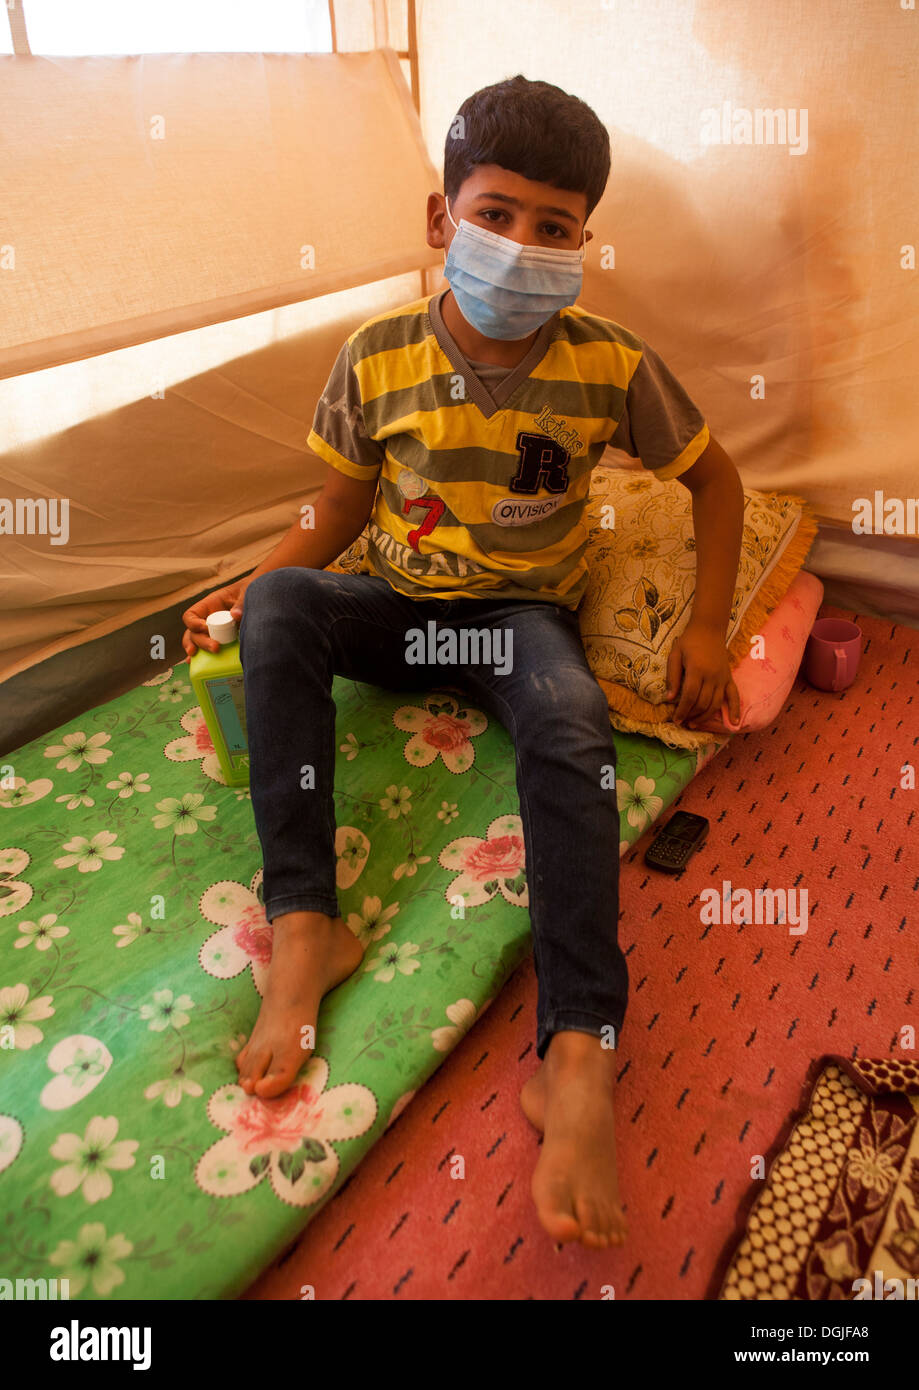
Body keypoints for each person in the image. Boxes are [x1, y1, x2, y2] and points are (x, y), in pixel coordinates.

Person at [182, 74, 744, 1250]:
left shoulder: (609, 363)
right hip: (389, 600)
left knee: (573, 724)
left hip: (515, 620)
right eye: (493, 214)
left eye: (554, 226)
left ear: (586, 240)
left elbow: (714, 480)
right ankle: (304, 930)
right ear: (441, 220)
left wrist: (702, 629)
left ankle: (578, 1048)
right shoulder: (377, 355)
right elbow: (333, 510)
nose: (519, 244)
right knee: (286, 602)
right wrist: (251, 584)